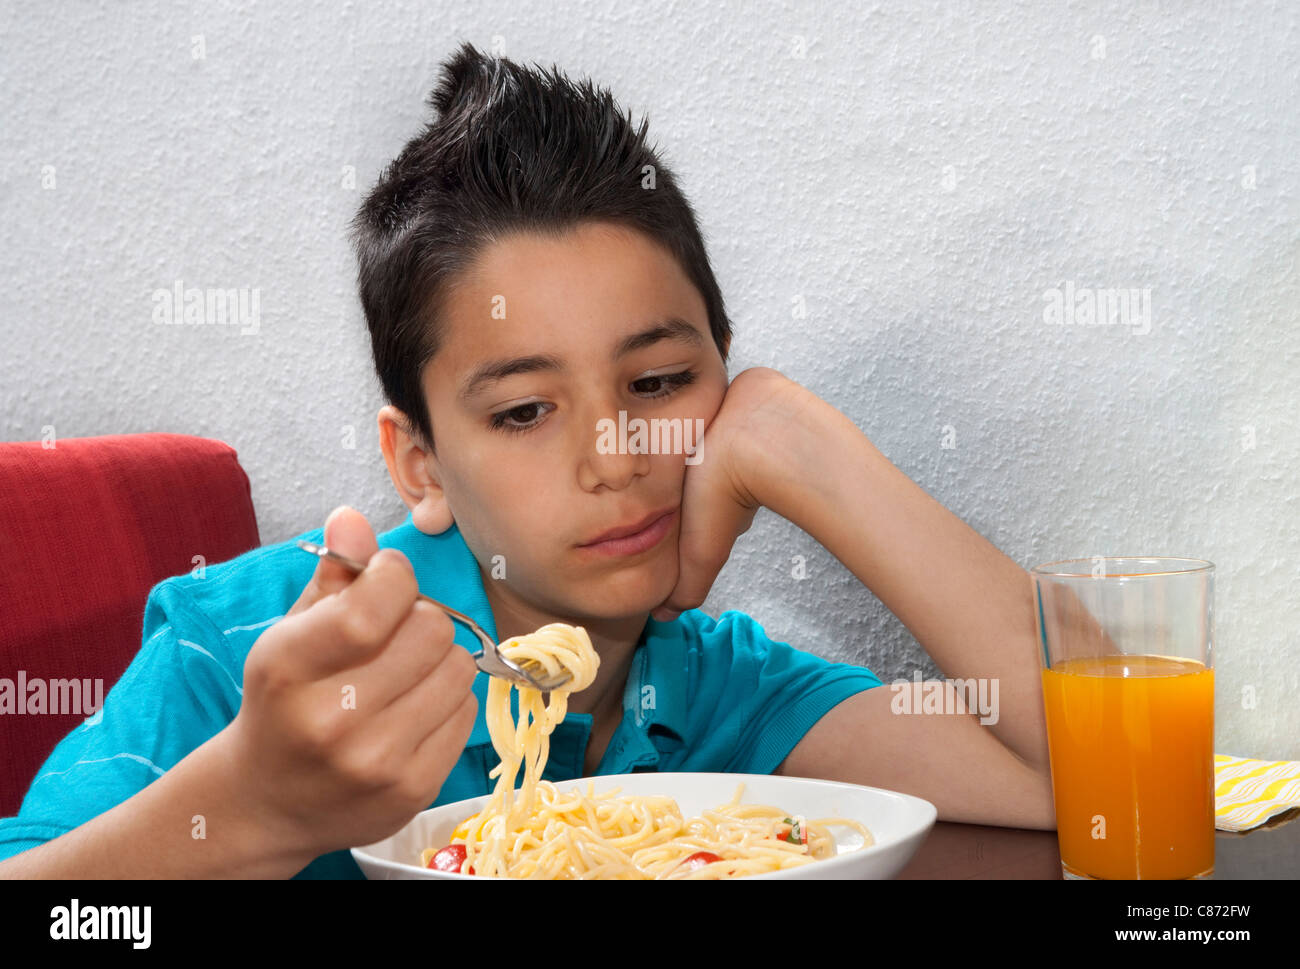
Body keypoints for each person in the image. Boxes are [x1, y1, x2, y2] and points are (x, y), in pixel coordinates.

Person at [0, 41, 1054, 879]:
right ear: (417, 463)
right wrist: (251, 806)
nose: (614, 458)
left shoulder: (716, 685)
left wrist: (800, 445)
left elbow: (1106, 792)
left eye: (657, 385)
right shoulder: (239, 651)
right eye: (521, 412)